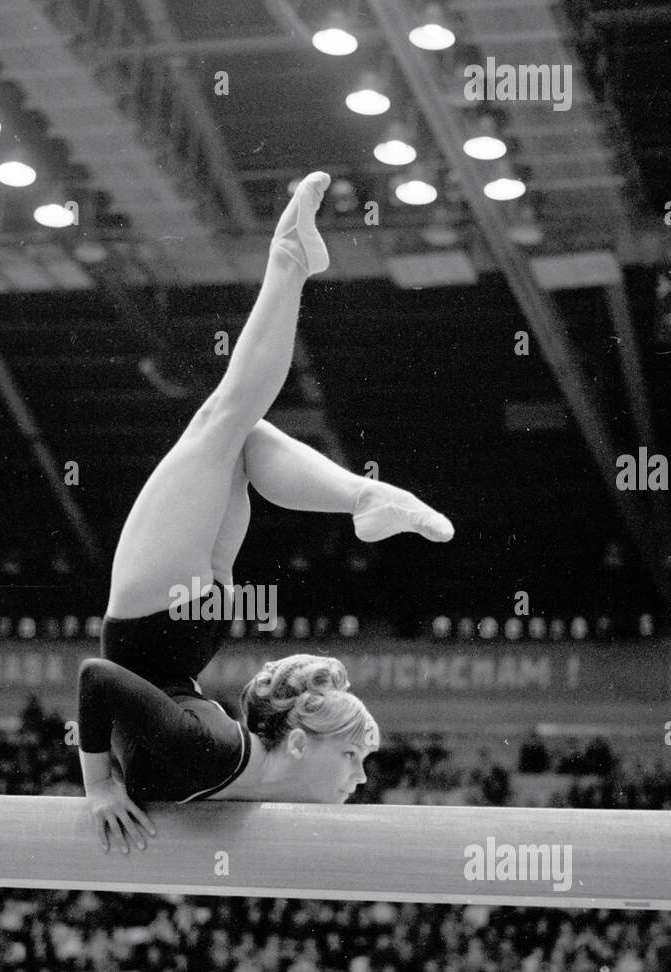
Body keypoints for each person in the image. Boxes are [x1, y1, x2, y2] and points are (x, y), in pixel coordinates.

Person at [76, 172, 453, 852]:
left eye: (354, 758)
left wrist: (99, 786)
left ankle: (291, 260)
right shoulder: (214, 759)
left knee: (230, 423)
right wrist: (105, 781)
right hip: (170, 628)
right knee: (232, 431)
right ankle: (361, 494)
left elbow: (98, 679)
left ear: (301, 742)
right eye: (356, 759)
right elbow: (104, 683)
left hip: (160, 624)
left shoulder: (209, 757)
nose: (362, 777)